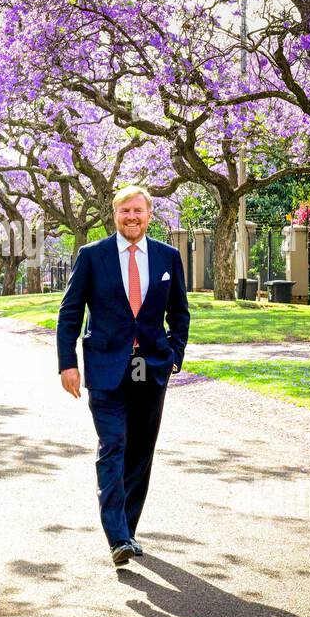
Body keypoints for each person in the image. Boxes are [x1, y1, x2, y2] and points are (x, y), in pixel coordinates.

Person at [56, 184, 190, 567]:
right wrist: (68, 363)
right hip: (106, 366)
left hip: (150, 367)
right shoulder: (92, 256)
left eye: (138, 211)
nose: (131, 218)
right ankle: (116, 535)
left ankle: (126, 531)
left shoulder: (167, 257)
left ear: (149, 215)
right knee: (113, 444)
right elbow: (70, 313)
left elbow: (179, 313)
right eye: (124, 212)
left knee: (140, 452)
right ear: (114, 215)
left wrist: (174, 357)